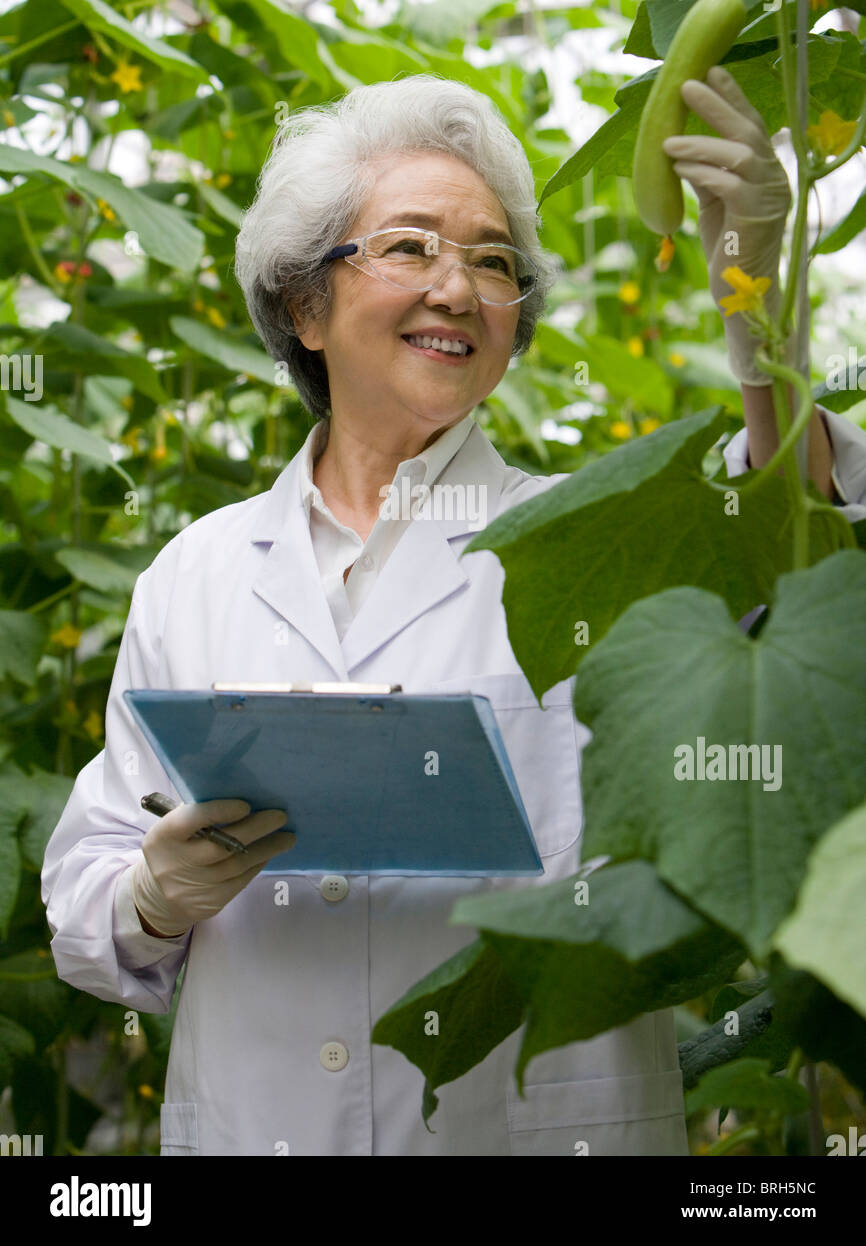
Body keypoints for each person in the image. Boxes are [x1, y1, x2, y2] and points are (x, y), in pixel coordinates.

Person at [42, 73, 866, 1157]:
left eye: (491, 262)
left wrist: (761, 312)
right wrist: (152, 894)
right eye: (411, 247)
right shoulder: (192, 575)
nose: (458, 287)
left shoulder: (600, 534)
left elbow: (800, 548)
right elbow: (84, 900)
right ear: (303, 303)